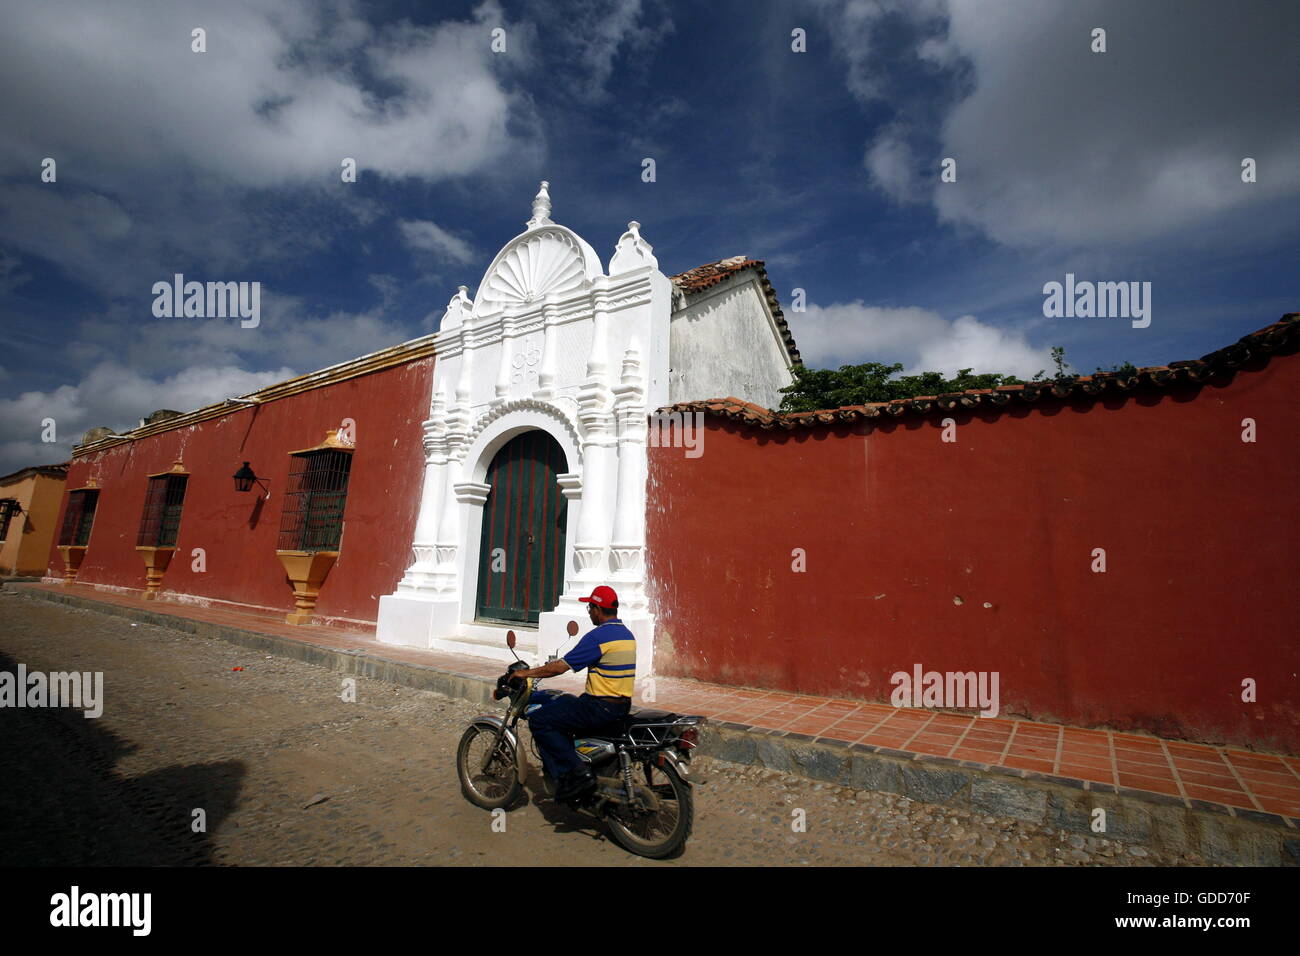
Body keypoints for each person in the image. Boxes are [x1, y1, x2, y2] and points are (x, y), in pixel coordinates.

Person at [506, 585, 635, 801]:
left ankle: (576, 774)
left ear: (597, 609)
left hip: (600, 707)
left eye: (589, 607)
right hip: (621, 705)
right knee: (566, 705)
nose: (589, 612)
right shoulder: (627, 634)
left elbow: (560, 667)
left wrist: (526, 673)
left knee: (540, 721)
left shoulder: (598, 637)